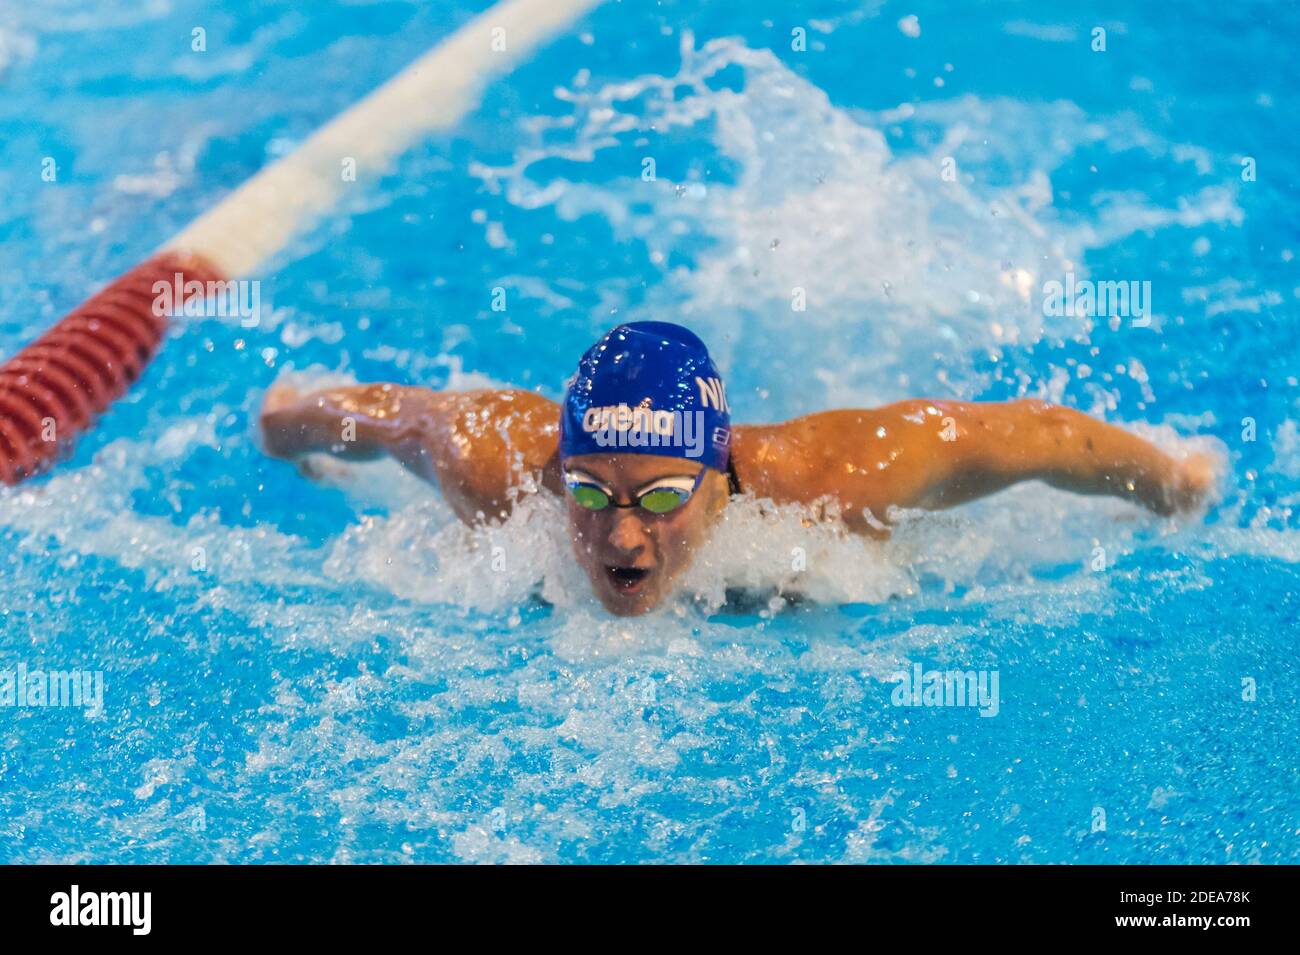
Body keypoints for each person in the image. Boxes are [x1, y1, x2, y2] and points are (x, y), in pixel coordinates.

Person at [260, 321, 1215, 615]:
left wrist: (1171, 482)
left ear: (722, 474)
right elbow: (388, 416)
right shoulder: (497, 463)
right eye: (590, 492)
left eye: (662, 496)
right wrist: (282, 427)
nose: (620, 535)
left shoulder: (837, 478)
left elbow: (1038, 436)